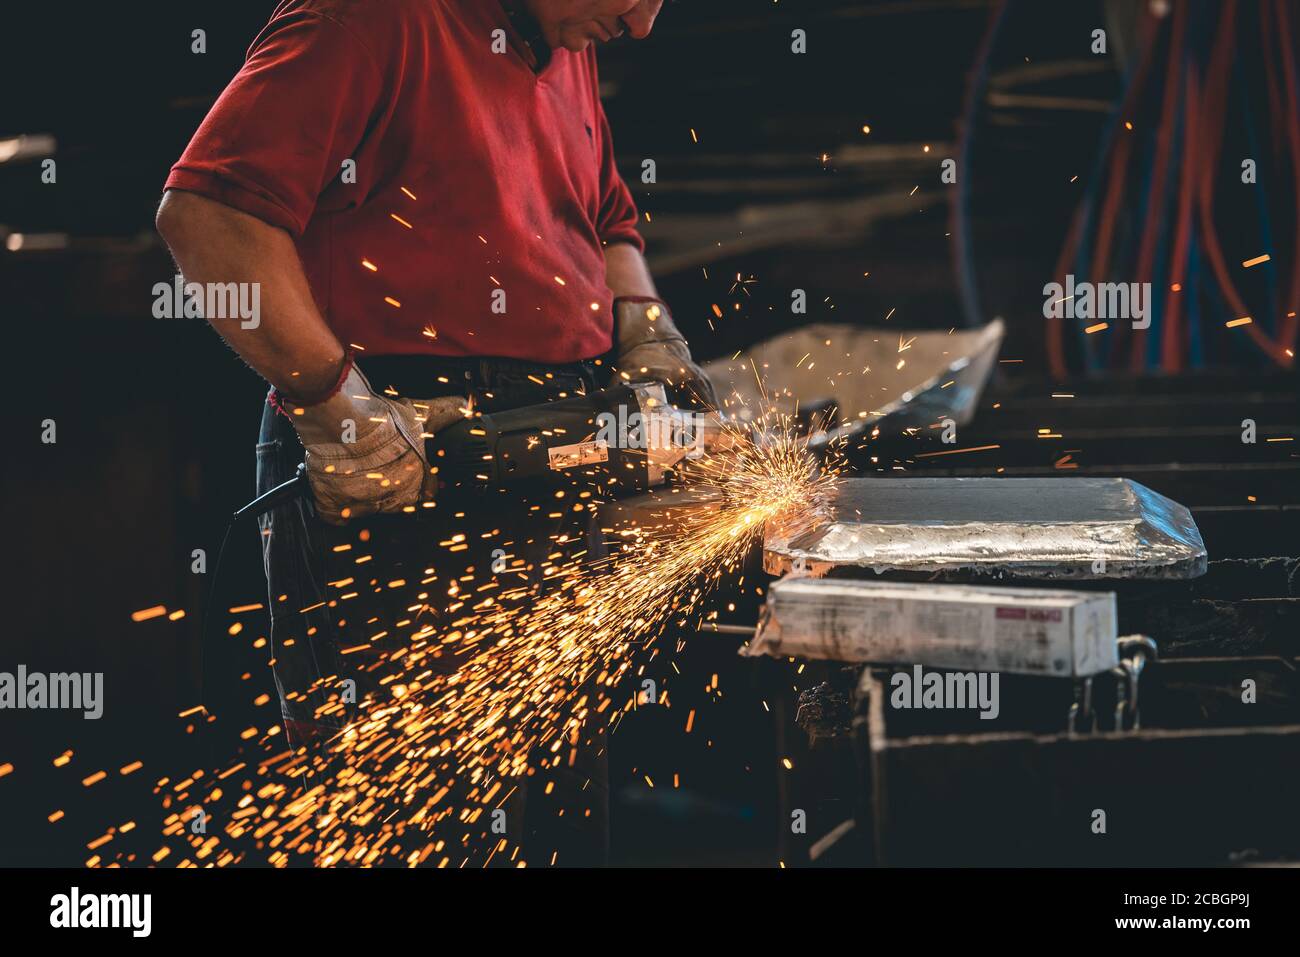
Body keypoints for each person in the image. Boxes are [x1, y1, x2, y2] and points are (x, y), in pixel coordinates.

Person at [155, 0, 715, 866]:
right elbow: (207, 220)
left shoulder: (563, 31)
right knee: (408, 824)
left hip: (544, 462)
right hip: (397, 469)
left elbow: (604, 214)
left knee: (552, 817)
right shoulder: (368, 17)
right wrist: (340, 412)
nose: (642, 23)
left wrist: (643, 321)